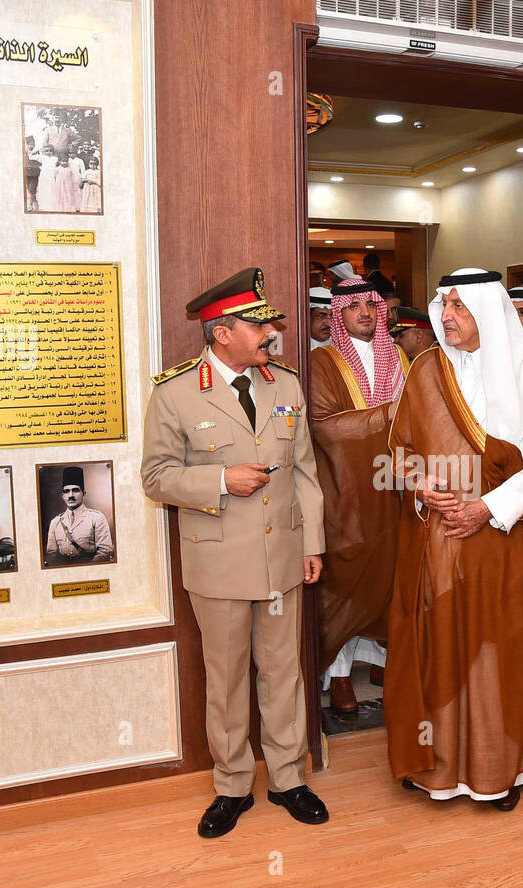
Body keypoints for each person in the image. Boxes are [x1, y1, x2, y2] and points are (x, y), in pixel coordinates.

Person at [141, 267, 327, 838]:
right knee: (224, 681)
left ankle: (290, 778)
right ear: (223, 332)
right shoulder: (174, 393)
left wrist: (312, 544)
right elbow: (155, 478)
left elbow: (305, 473)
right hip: (218, 563)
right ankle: (231, 786)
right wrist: (221, 480)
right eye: (258, 324)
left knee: (283, 674)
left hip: (282, 559)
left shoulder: (286, 384)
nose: (270, 332)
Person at [384, 268, 523, 810]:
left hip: (503, 542)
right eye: (445, 308)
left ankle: (499, 767)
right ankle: (436, 766)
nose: (446, 318)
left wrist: (488, 508)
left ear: (487, 312)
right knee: (439, 646)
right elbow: (398, 451)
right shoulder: (425, 370)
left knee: (498, 652)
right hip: (438, 538)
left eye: (460, 309)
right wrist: (422, 486)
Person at [309, 277, 407, 714]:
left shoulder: (399, 355)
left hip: (395, 485)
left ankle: (391, 665)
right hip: (344, 487)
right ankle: (342, 674)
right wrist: (384, 418)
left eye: (373, 305)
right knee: (346, 580)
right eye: (355, 307)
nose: (366, 312)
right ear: (339, 313)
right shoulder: (322, 361)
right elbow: (323, 425)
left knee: (392, 576)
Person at [44, 466, 114, 565]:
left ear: (83, 493)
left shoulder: (96, 518)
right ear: (62, 496)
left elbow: (105, 552)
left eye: (75, 490)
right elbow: (51, 555)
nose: (71, 495)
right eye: (66, 491)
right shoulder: (55, 522)